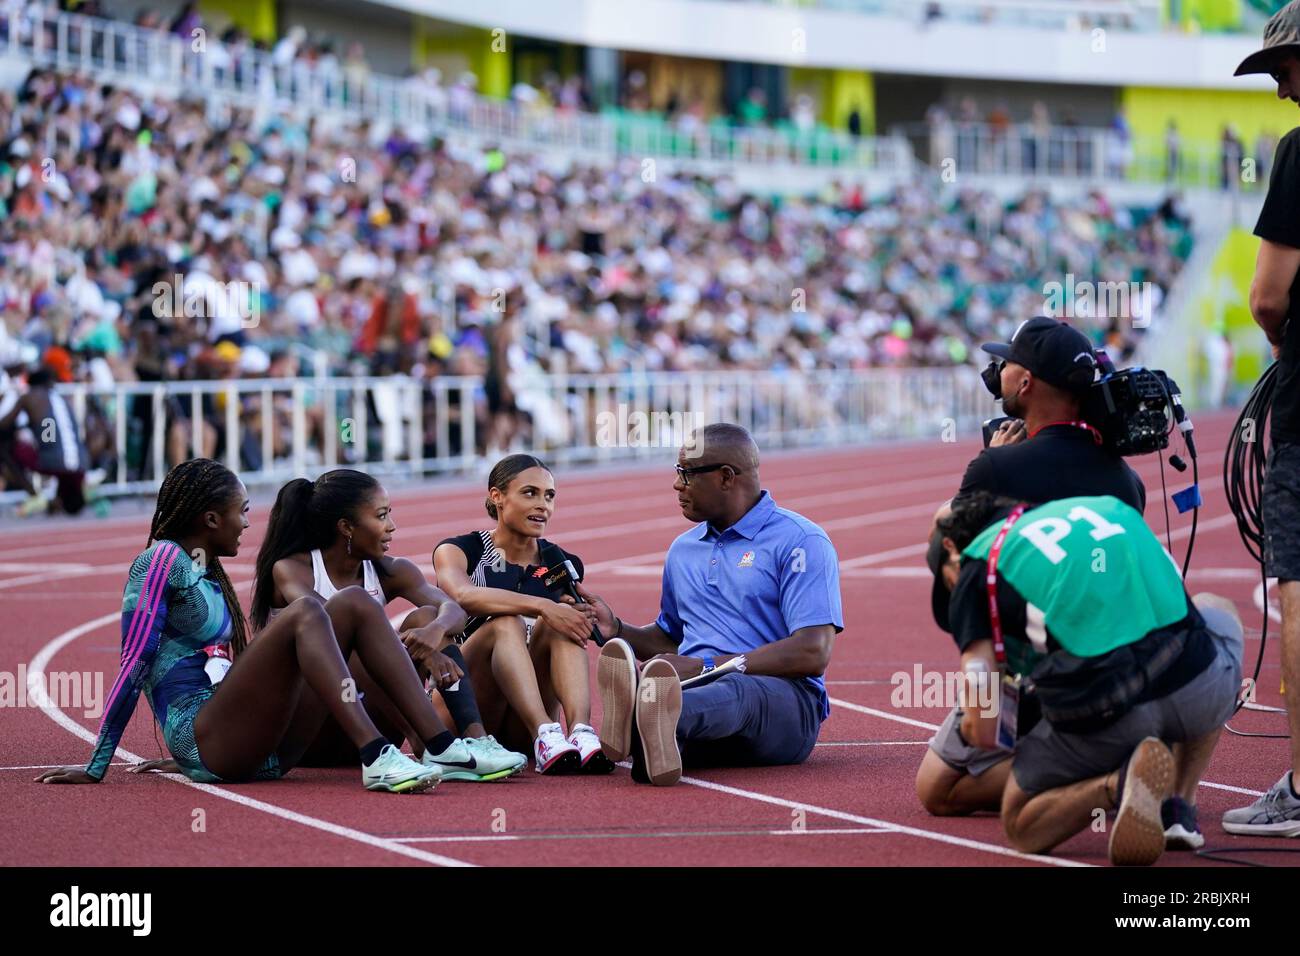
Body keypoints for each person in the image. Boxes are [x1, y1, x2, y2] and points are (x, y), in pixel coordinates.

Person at [35, 458, 452, 793]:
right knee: (308, 612)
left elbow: (222, 667)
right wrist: (98, 763)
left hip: (248, 740)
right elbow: (134, 662)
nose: (249, 523)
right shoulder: (160, 561)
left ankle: (443, 747)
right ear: (212, 519)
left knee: (354, 602)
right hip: (206, 737)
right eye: (243, 512)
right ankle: (376, 754)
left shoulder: (209, 572)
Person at [915, 316, 1147, 822]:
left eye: (1006, 363)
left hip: (1030, 665)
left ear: (1025, 383)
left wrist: (989, 464)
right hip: (1130, 667)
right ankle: (1115, 761)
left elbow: (953, 566)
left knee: (938, 790)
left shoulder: (998, 466)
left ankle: (1099, 779)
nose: (995, 370)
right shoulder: (1125, 478)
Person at [929, 493, 1241, 865]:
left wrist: (978, 727)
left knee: (1019, 823)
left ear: (952, 548)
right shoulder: (1106, 508)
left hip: (1109, 719)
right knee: (1218, 611)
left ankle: (1115, 783)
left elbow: (984, 719)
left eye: (946, 582)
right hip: (1198, 688)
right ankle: (1179, 803)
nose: (953, 591)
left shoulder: (977, 566)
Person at [582, 423, 843, 786]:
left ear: (725, 477)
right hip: (700, 700)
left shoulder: (800, 541)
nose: (676, 484)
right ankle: (655, 739)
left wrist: (705, 666)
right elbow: (672, 639)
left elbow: (812, 651)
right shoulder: (683, 549)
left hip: (784, 703)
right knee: (683, 697)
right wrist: (618, 629)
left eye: (685, 473)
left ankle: (645, 717)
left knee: (732, 689)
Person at [250, 469, 527, 781]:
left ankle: (474, 740)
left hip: (377, 729)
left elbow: (453, 608)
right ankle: (433, 744)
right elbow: (328, 634)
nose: (391, 527)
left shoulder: (392, 570)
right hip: (314, 733)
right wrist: (424, 654)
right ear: (346, 527)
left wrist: (433, 633)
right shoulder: (291, 570)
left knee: (425, 616)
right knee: (354, 636)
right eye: (381, 516)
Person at [1224, 3, 1300, 835]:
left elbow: (1268, 296)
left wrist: (1284, 347)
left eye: (1285, 70)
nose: (1282, 91)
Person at [432, 454, 613, 774]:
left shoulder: (561, 563)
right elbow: (463, 595)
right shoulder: (460, 550)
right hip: (466, 714)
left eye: (549, 496)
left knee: (563, 623)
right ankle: (545, 731)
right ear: (497, 496)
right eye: (530, 493)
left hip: (521, 724)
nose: (543, 504)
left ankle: (580, 732)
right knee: (506, 622)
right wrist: (543, 606)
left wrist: (579, 615)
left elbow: (566, 622)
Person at [0, 364, 88, 516]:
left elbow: (4, 424)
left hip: (53, 462)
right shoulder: (62, 398)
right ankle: (59, 499)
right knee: (62, 464)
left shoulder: (30, 396)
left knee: (5, 448)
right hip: (82, 463)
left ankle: (32, 492)